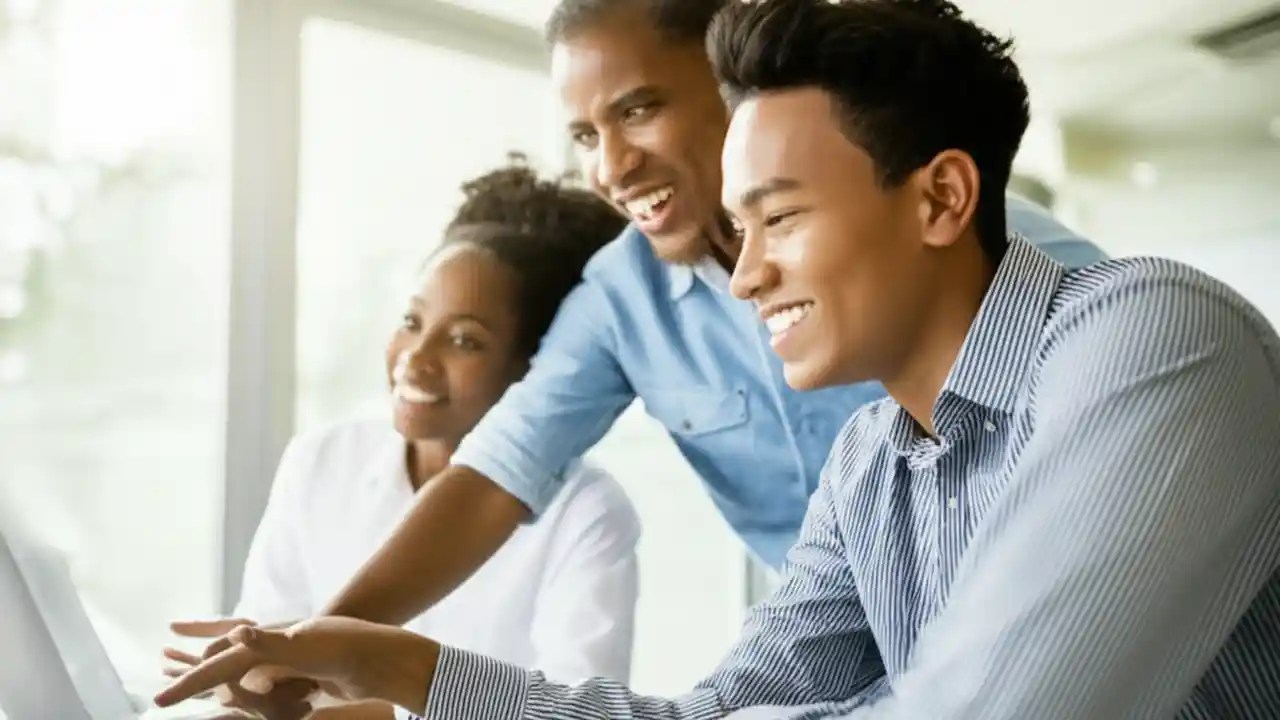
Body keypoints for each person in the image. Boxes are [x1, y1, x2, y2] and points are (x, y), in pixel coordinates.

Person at [154, 0, 1280, 718]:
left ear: (940, 196)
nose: (742, 279)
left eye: (777, 220)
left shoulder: (1145, 337)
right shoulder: (870, 460)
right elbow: (700, 706)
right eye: (583, 134)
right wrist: (386, 662)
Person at [226, 0, 1104, 644]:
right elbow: (498, 472)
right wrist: (320, 643)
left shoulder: (931, 223)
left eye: (639, 108)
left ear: (734, 87)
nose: (610, 166)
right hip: (844, 647)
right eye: (583, 132)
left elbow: (1144, 360)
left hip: (1047, 608)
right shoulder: (620, 298)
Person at [162, 161, 641, 719]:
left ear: (538, 371)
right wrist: (243, 681)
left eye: (464, 340)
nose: (417, 357)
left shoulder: (588, 511)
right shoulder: (323, 459)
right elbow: (273, 658)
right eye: (412, 322)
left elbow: (574, 708)